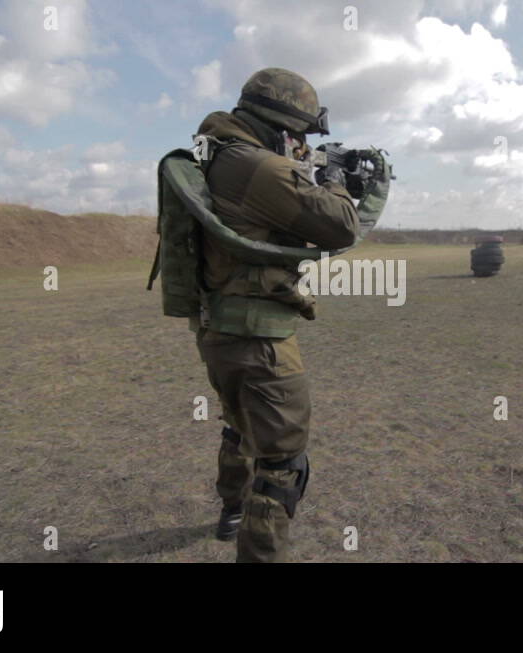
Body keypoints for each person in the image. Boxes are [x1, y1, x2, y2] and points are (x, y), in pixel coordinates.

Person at [191, 67, 359, 563]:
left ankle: (231, 511)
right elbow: (342, 226)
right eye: (301, 136)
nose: (302, 144)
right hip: (259, 337)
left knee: (240, 425)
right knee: (283, 463)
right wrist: (333, 178)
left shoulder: (212, 150)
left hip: (217, 325)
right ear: (284, 130)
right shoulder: (258, 167)